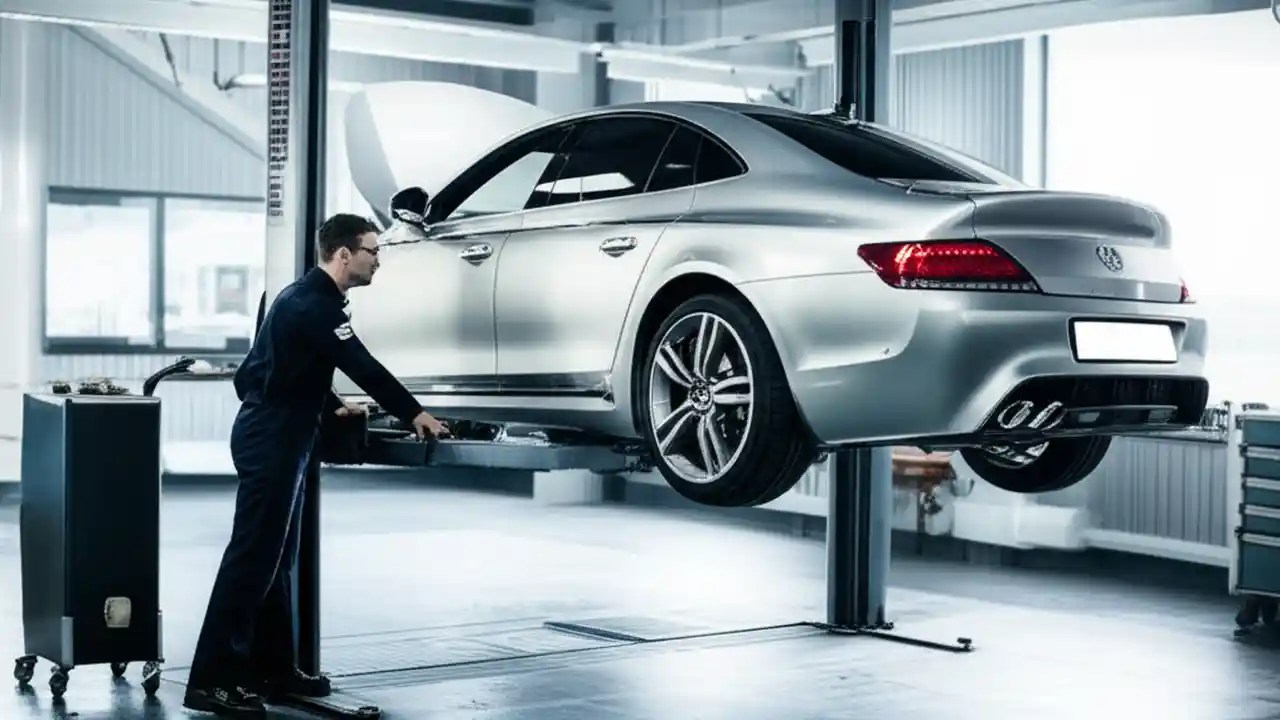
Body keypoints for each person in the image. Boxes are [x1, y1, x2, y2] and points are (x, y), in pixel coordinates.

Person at [183, 214, 450, 717]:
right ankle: (211, 681)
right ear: (343, 254)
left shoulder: (299, 299)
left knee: (277, 562)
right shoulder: (314, 304)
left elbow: (267, 372)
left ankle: (273, 670)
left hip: (284, 434)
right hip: (273, 439)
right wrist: (415, 412)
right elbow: (364, 367)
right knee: (251, 560)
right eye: (373, 250)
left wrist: (328, 407)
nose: (379, 260)